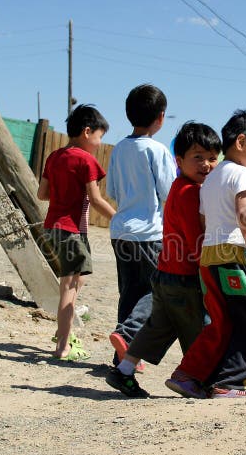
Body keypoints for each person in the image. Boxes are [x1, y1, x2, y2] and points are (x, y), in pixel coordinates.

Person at [165, 109, 246, 399]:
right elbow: (245, 214)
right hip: (232, 254)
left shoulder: (212, 178)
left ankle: (190, 374)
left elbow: (204, 221)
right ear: (241, 142)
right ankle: (229, 383)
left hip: (209, 257)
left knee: (221, 321)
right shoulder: (243, 173)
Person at [105, 122, 221, 397]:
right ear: (179, 160)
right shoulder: (192, 193)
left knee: (157, 329)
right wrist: (207, 265)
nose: (206, 164)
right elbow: (195, 239)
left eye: (213, 158)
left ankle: (122, 372)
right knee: (203, 329)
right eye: (198, 157)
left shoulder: (179, 188)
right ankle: (195, 379)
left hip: (165, 274)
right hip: (185, 278)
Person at [37, 104, 115, 361]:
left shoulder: (54, 157)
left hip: (52, 228)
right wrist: (118, 218)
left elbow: (42, 194)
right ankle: (62, 345)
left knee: (75, 281)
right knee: (69, 289)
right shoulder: (86, 160)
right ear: (87, 131)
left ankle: (63, 332)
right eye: (100, 137)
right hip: (72, 231)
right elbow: (95, 198)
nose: (100, 143)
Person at [106, 84, 177, 367]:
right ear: (161, 117)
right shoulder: (157, 150)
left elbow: (112, 190)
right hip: (149, 234)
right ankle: (128, 333)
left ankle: (121, 354)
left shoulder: (119, 149)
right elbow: (169, 193)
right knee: (157, 291)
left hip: (120, 230)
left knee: (130, 293)